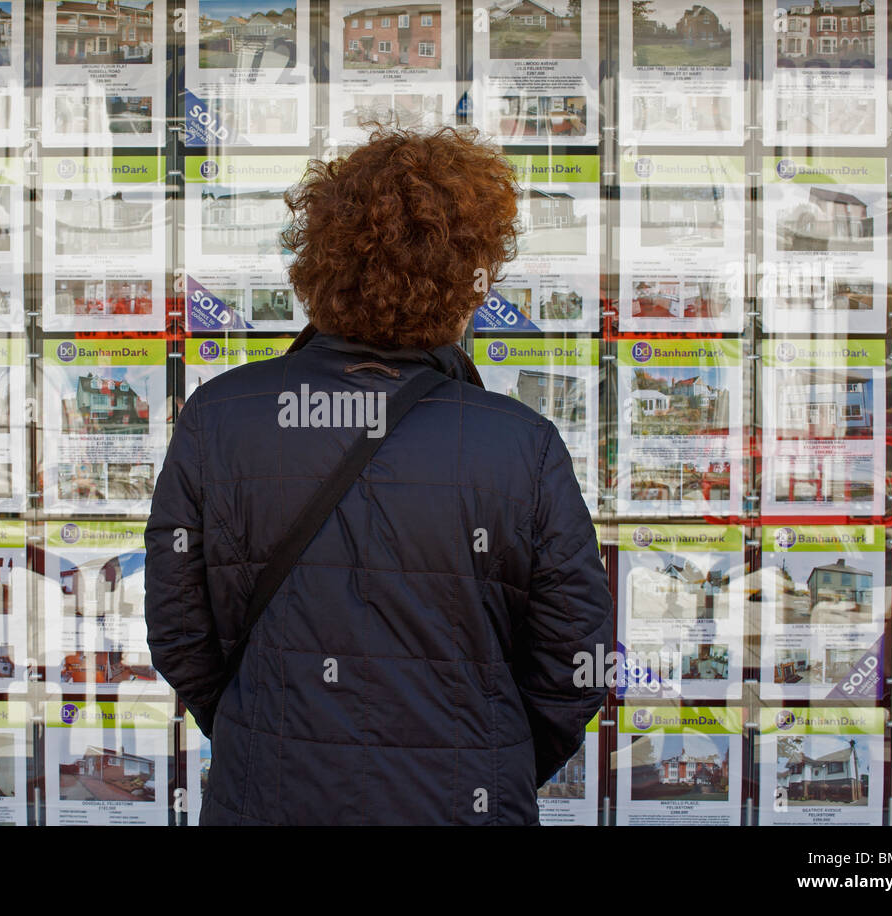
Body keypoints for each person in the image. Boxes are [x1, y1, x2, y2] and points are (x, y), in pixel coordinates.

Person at [144, 124, 611, 826]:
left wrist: (263, 734)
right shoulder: (522, 445)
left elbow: (180, 633)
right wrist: (493, 754)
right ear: (467, 280)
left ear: (320, 263)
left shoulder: (220, 418)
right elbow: (577, 657)